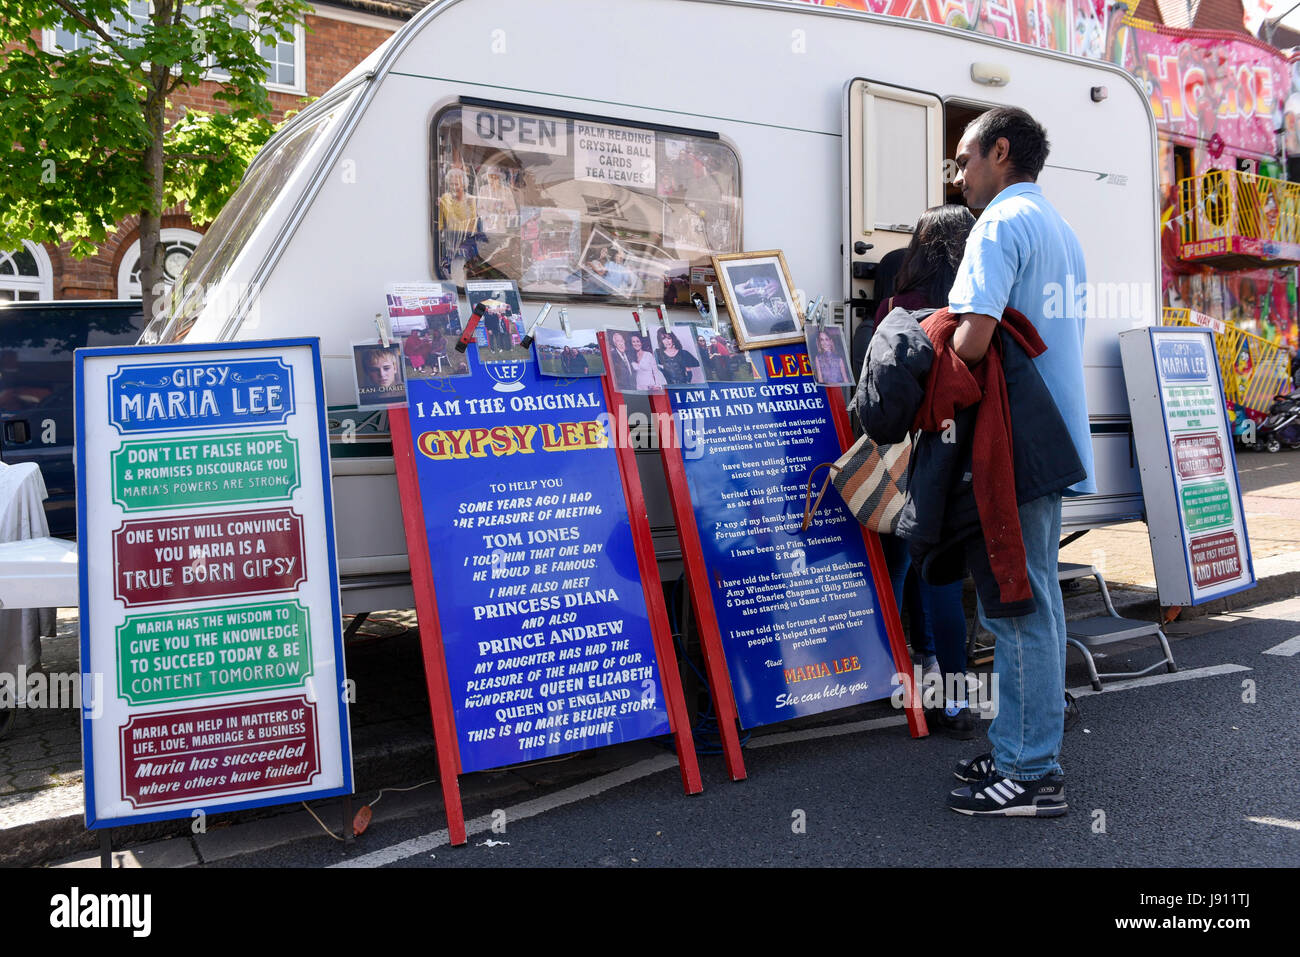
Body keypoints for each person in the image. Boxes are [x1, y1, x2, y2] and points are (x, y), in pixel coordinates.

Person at [943, 107, 1093, 817]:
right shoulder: (1059, 227)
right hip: (1051, 437)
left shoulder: (999, 224)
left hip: (1012, 442)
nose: (959, 175)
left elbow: (972, 340)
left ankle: (1032, 771)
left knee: (1018, 603)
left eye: (965, 158)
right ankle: (1017, 743)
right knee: (1035, 596)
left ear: (999, 152)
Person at [867, 205, 976, 740]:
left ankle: (893, 675)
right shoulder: (978, 305)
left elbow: (879, 402)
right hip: (973, 461)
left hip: (911, 463)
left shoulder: (896, 307)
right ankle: (955, 702)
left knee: (902, 569)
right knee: (950, 585)